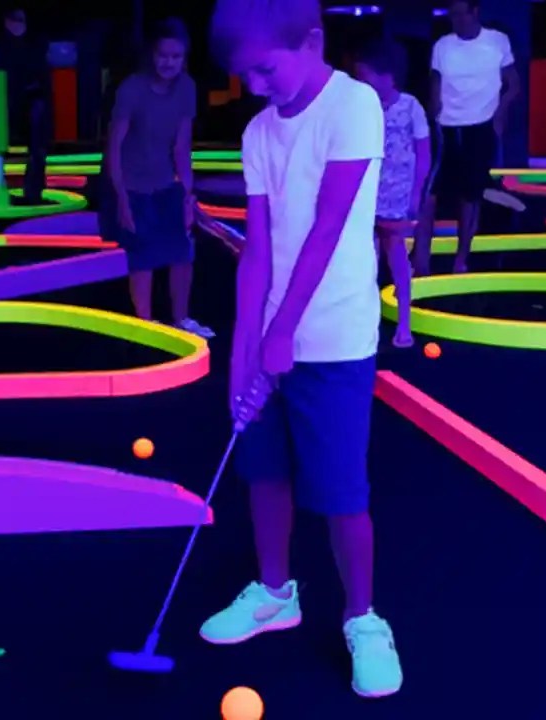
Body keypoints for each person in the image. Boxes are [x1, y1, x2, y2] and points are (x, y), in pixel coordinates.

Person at [204, 0, 402, 699]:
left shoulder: (354, 108)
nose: (256, 86)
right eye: (243, 76)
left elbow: (326, 228)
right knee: (264, 470)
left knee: (342, 491)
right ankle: (274, 592)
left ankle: (363, 617)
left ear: (311, 41)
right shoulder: (258, 132)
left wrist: (283, 333)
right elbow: (256, 249)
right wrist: (244, 354)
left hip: (335, 339)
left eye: (265, 68)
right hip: (269, 337)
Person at [104, 18, 214, 338]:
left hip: (167, 183)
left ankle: (181, 319)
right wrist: (121, 199)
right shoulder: (132, 90)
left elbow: (182, 146)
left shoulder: (187, 88)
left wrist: (188, 195)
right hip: (133, 185)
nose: (169, 63)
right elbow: (114, 147)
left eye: (176, 57)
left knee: (182, 250)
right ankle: (147, 325)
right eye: (163, 55)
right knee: (143, 256)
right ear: (152, 55)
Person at [413, 0, 520, 275]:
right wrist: (432, 108)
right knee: (429, 193)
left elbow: (513, 83)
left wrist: (501, 111)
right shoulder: (443, 46)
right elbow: (435, 82)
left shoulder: (497, 41)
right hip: (445, 127)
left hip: (481, 125)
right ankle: (421, 260)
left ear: (475, 12)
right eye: (452, 15)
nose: (457, 20)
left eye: (462, 14)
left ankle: (462, 259)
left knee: (469, 196)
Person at [353, 37, 431, 349]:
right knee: (365, 257)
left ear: (388, 75)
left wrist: (416, 193)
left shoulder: (411, 107)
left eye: (367, 75)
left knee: (395, 251)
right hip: (366, 192)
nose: (363, 81)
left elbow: (423, 155)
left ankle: (404, 321)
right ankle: (366, 320)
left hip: (396, 194)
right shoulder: (362, 107)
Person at [0, 7, 50, 204]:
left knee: (38, 147)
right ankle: (10, 188)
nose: (18, 24)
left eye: (20, 20)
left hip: (33, 100)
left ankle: (33, 190)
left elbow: (41, 77)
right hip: (10, 102)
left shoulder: (35, 45)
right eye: (14, 19)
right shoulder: (1, 47)